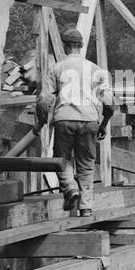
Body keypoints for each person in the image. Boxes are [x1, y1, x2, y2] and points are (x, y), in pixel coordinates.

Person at [38, 28, 114, 216]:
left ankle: (71, 189)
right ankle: (86, 207)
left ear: (65, 46)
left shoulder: (56, 68)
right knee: (86, 165)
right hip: (89, 120)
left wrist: (41, 121)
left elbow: (44, 101)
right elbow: (110, 104)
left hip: (64, 119)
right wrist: (104, 124)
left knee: (61, 160)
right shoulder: (96, 70)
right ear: (81, 45)